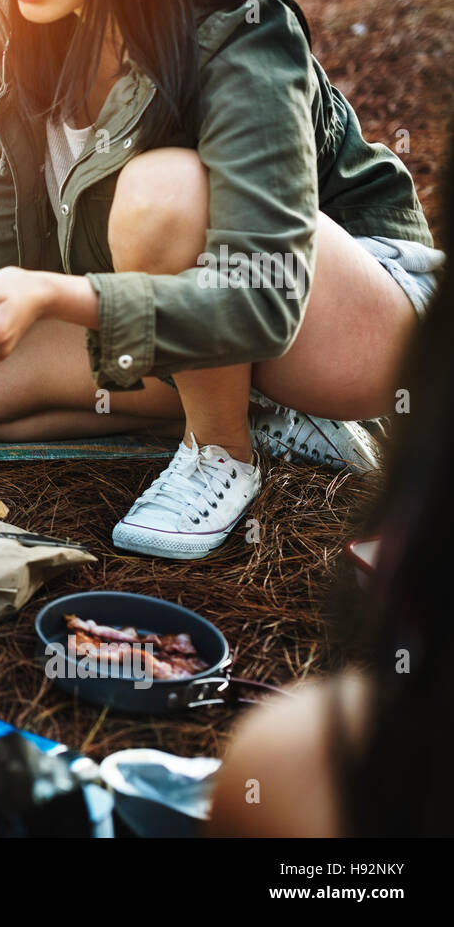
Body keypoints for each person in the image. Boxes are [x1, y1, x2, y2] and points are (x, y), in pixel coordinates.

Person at [0, 0, 444, 560]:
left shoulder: (241, 27)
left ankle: (220, 450)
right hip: (208, 319)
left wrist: (58, 298)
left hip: (357, 321)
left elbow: (266, 299)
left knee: (162, 192)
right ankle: (268, 415)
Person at [208, 139, 454, 837]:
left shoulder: (300, 765)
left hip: (349, 304)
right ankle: (267, 399)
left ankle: (260, 405)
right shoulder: (16, 79)